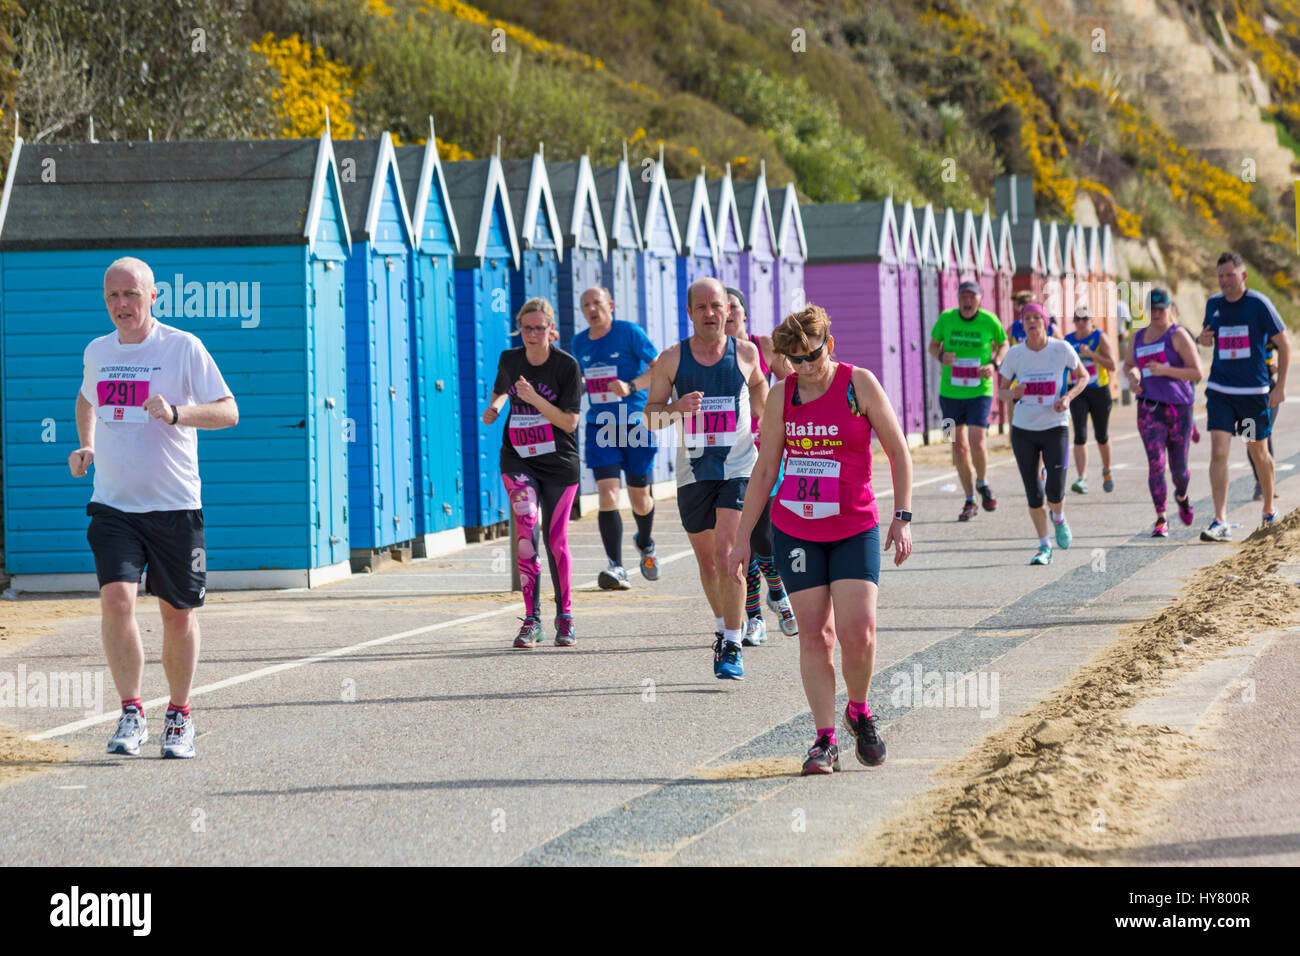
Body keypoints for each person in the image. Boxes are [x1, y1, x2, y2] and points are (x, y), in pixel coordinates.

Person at [727, 304, 913, 774]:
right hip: (797, 529)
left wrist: (903, 516)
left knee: (859, 632)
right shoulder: (781, 397)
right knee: (816, 635)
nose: (805, 367)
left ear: (827, 345)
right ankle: (824, 739)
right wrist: (744, 536)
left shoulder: (859, 384)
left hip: (854, 526)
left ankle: (860, 710)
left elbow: (897, 451)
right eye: (794, 360)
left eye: (811, 356)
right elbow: (766, 468)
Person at [69, 257, 238, 759]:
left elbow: (229, 411)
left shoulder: (183, 347)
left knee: (177, 616)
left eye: (132, 295)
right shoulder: (97, 351)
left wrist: (178, 413)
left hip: (174, 507)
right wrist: (88, 445)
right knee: (117, 602)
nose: (122, 305)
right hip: (113, 506)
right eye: (113, 297)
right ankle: (131, 712)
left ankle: (180, 716)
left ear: (153, 297)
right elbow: (86, 399)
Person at [644, 277, 768, 680]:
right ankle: (722, 628)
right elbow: (650, 416)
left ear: (728, 310)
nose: (712, 313)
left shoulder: (746, 353)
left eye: (718, 306)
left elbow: (762, 389)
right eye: (702, 307)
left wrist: (765, 422)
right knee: (708, 562)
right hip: (694, 471)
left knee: (729, 553)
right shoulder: (672, 360)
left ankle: (733, 641)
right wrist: (677, 407)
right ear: (690, 313)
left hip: (738, 467)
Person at [483, 298, 583, 647]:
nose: (533, 335)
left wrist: (534, 399)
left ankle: (565, 616)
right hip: (518, 457)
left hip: (558, 463)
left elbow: (569, 422)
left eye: (540, 328)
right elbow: (501, 389)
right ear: (520, 329)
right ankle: (531, 620)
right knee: (526, 534)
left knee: (556, 541)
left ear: (551, 330)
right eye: (527, 328)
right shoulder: (510, 359)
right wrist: (495, 407)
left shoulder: (566, 366)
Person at [722, 286, 797, 645]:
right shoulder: (708, 355)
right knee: (744, 539)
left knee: (764, 537)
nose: (729, 313)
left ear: (744, 314)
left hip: (766, 456)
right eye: (723, 308)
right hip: (728, 462)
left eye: (734, 306)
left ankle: (777, 593)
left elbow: (795, 387)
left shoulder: (763, 347)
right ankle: (756, 616)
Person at [571, 286, 660, 589]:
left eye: (597, 303)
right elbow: (580, 380)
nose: (592, 309)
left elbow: (660, 369)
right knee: (608, 495)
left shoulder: (629, 333)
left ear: (611, 305)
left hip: (636, 423)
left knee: (640, 498)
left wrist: (631, 386)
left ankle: (645, 543)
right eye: (586, 305)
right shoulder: (579, 342)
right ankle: (616, 566)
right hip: (601, 426)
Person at [1197, 251, 1290, 540]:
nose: (1225, 281)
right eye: (1221, 276)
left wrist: (1280, 387)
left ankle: (1269, 509)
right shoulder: (1213, 304)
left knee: (1256, 451)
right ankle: (1220, 519)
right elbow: (1207, 336)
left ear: (1243, 276)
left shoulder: (1259, 305)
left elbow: (1284, 345)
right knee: (1218, 450)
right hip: (1221, 392)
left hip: (1251, 394)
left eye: (1230, 275)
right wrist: (1203, 339)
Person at [997, 302, 1089, 565]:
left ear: (1045, 322)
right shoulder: (1015, 354)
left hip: (1055, 426)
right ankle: (1043, 546)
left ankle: (1059, 518)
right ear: (1022, 324)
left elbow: (1082, 377)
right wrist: (1011, 393)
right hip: (1024, 430)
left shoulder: (1061, 349)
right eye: (1028, 318)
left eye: (1038, 317)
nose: (1032, 322)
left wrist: (1068, 397)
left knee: (1055, 490)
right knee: (1033, 492)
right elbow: (1001, 391)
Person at [1122, 288, 1202, 536]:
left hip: (1178, 409)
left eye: (1161, 309)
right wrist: (1134, 378)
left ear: (1170, 309)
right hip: (1149, 408)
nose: (1157, 313)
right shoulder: (1138, 337)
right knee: (1156, 464)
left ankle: (1182, 495)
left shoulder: (1177, 336)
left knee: (1179, 471)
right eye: (1153, 309)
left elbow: (1197, 373)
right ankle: (1161, 518)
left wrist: (1166, 371)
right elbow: (1129, 365)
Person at [928, 279, 1006, 520]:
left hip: (979, 392)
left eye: (972, 296)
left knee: (977, 441)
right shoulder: (946, 318)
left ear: (979, 299)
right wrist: (942, 356)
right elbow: (932, 346)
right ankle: (970, 499)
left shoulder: (989, 320)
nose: (967, 300)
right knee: (957, 447)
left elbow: (1003, 344)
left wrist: (994, 364)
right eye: (963, 296)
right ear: (958, 298)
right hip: (949, 395)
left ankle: (982, 482)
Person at [1064, 304, 1117, 493]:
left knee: (1101, 435)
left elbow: (1112, 365)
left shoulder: (1099, 338)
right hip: (1078, 390)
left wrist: (1091, 355)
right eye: (1076, 319)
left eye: (1084, 319)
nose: (1080, 323)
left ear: (1091, 321)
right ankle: (1082, 478)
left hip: (1099, 390)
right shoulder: (1068, 341)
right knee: (1080, 434)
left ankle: (1107, 470)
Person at [1249, 335, 1281, 501]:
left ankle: (1266, 483)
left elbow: (1284, 347)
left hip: (1268, 390)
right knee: (1250, 439)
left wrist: (1278, 367)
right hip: (1244, 393)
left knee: (1263, 434)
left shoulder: (1270, 332)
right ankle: (1259, 480)